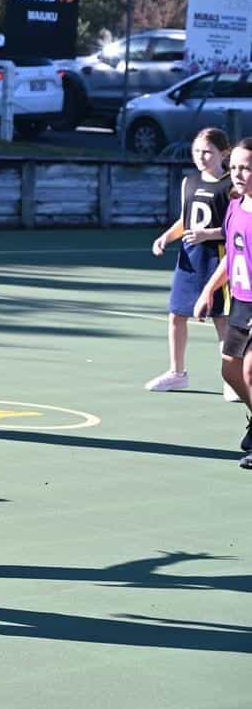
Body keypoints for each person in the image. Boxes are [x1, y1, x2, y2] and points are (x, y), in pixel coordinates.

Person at [147, 128, 234, 399]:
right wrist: (166, 237)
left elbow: (238, 228)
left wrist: (207, 234)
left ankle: (231, 378)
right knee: (176, 315)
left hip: (217, 258)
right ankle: (177, 373)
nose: (201, 156)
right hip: (189, 258)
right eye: (197, 151)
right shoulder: (189, 182)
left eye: (208, 151)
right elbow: (186, 220)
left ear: (224, 153)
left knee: (222, 319)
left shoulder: (232, 186)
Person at [193, 137, 252, 468]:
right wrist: (208, 291)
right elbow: (232, 255)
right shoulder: (234, 206)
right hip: (241, 302)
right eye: (235, 168)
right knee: (230, 369)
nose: (239, 174)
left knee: (250, 369)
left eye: (246, 168)